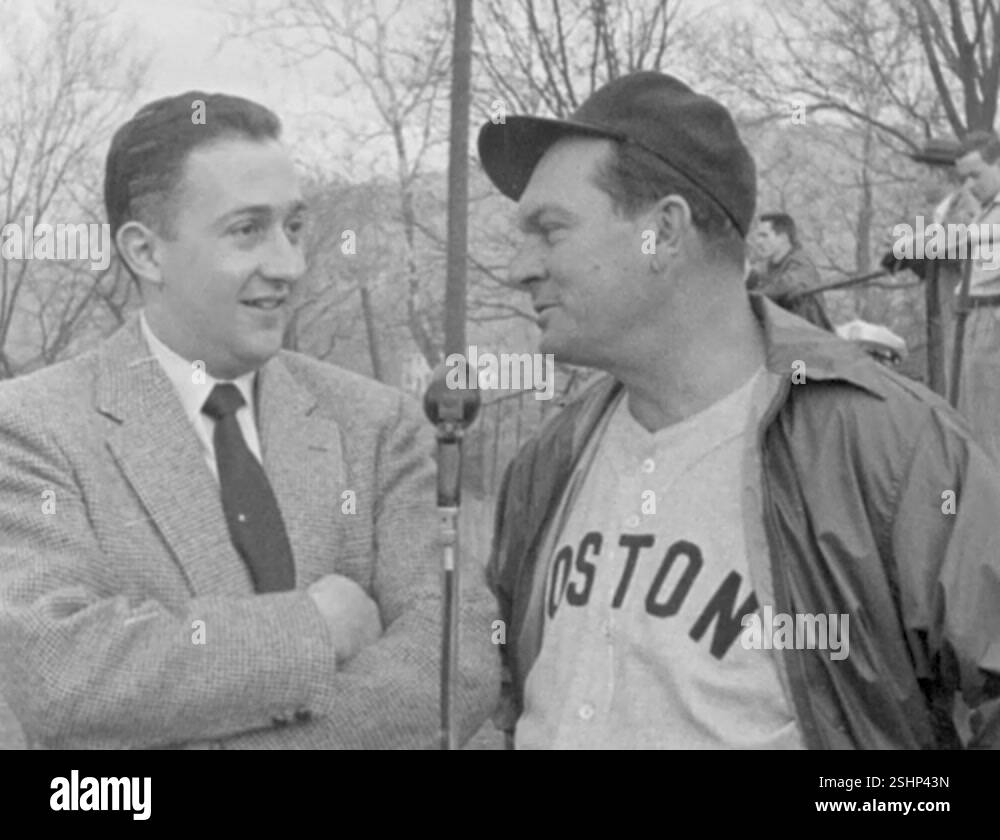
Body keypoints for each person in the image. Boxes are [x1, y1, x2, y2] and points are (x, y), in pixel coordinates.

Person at [478, 71, 1000, 749]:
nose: (520, 268)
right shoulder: (547, 464)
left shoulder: (895, 452)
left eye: (549, 232)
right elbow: (511, 700)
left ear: (663, 232)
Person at [0, 92, 499, 749]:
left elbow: (454, 661)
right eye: (247, 230)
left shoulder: (381, 427)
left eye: (293, 227)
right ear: (146, 253)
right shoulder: (35, 429)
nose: (288, 266)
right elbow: (65, 678)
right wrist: (317, 628)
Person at [953, 130, 1000, 458]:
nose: (969, 185)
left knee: (987, 426)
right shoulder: (986, 209)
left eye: (975, 175)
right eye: (964, 178)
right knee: (970, 419)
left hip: (992, 316)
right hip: (974, 315)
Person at [747, 212, 834, 330]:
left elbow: (785, 285)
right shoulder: (765, 269)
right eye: (758, 236)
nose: (758, 242)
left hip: (809, 337)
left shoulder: (802, 264)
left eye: (764, 236)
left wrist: (752, 296)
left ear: (783, 238)